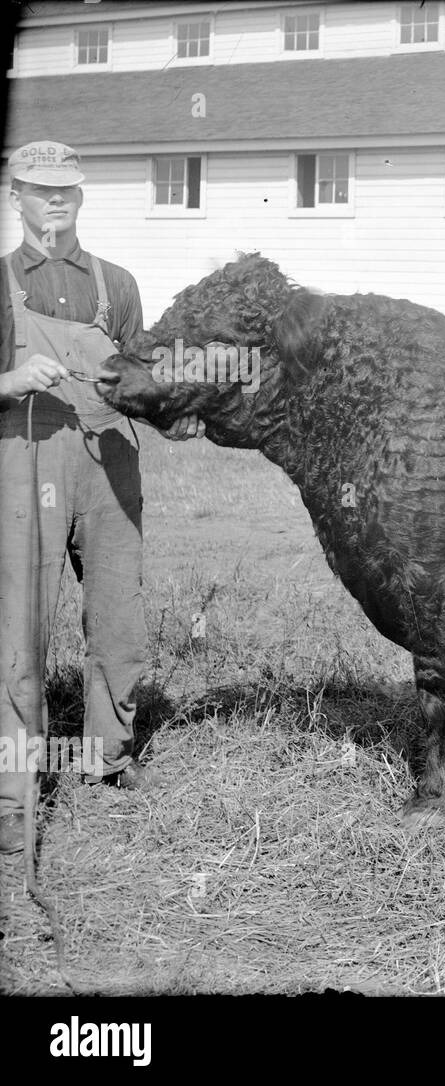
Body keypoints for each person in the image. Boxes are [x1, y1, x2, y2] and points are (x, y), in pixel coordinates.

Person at [0, 141, 202, 854]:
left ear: (80, 199)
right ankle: (15, 795)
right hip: (27, 455)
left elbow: (137, 381)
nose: (55, 202)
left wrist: (176, 413)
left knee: (119, 615)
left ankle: (108, 758)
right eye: (38, 190)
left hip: (110, 455)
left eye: (67, 191)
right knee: (21, 626)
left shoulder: (117, 285)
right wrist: (12, 378)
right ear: (15, 196)